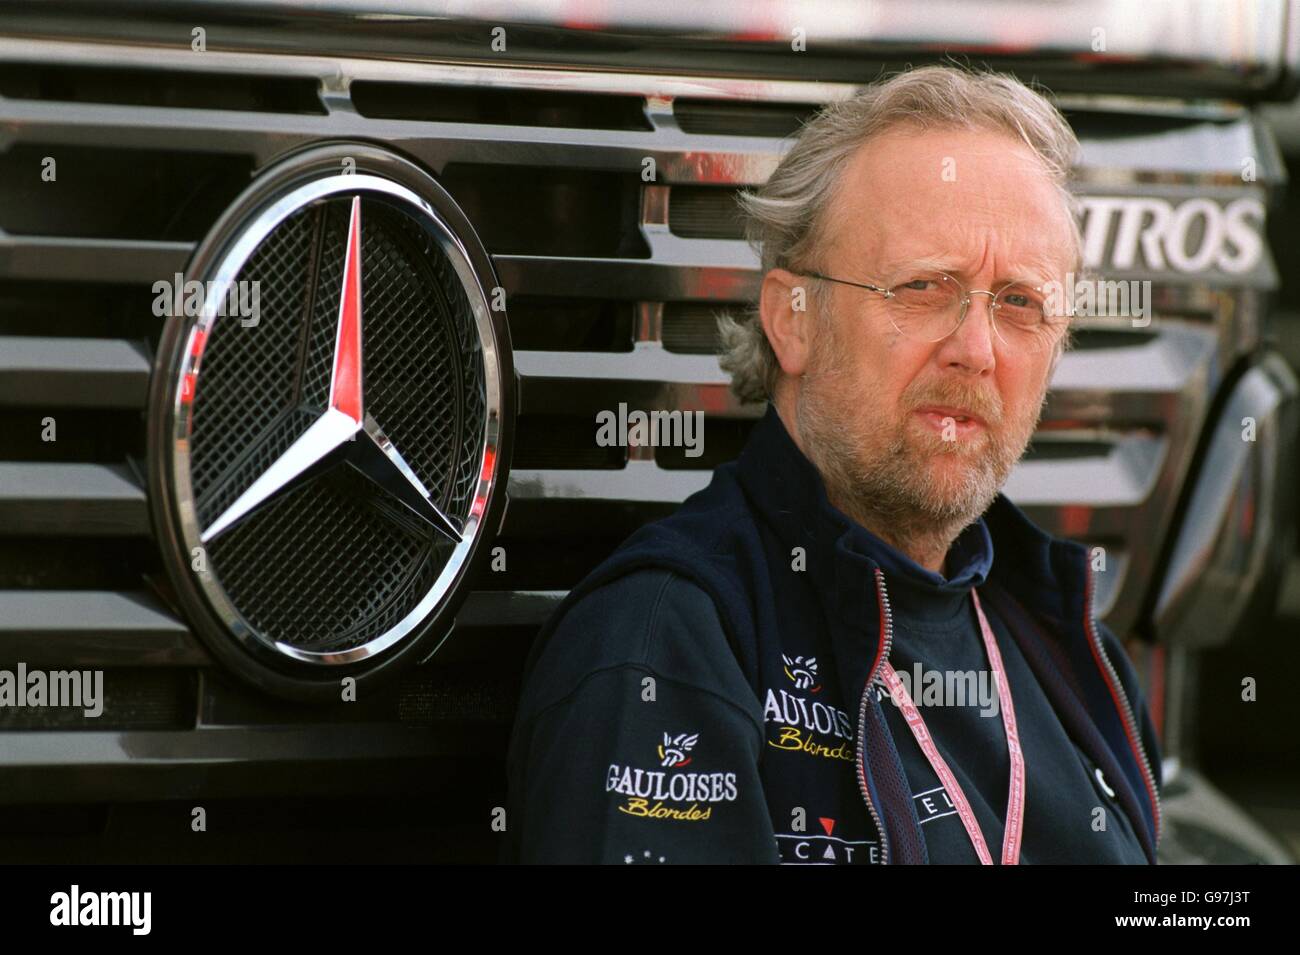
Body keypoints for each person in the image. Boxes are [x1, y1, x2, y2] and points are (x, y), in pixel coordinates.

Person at [503, 64, 1162, 864]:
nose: (977, 350)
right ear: (793, 320)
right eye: (924, 287)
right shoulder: (665, 646)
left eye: (1020, 304)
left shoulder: (1074, 649)